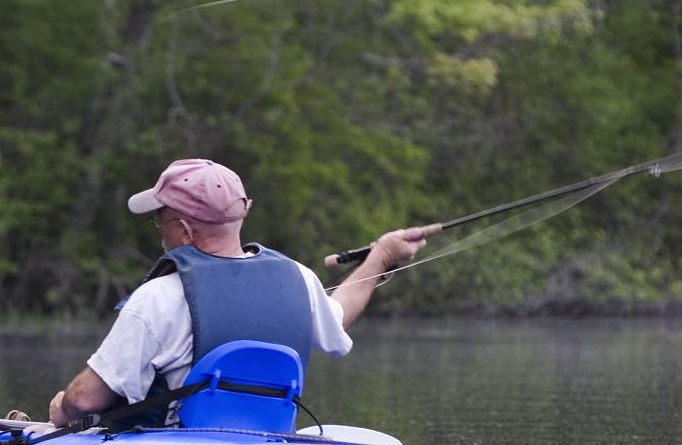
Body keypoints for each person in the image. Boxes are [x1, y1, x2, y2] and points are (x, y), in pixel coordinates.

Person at [47, 158, 426, 427]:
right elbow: (339, 315)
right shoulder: (299, 277)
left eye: (158, 220)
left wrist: (62, 409)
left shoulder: (158, 296)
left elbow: (86, 400)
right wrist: (380, 258)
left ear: (184, 229)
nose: (158, 230)